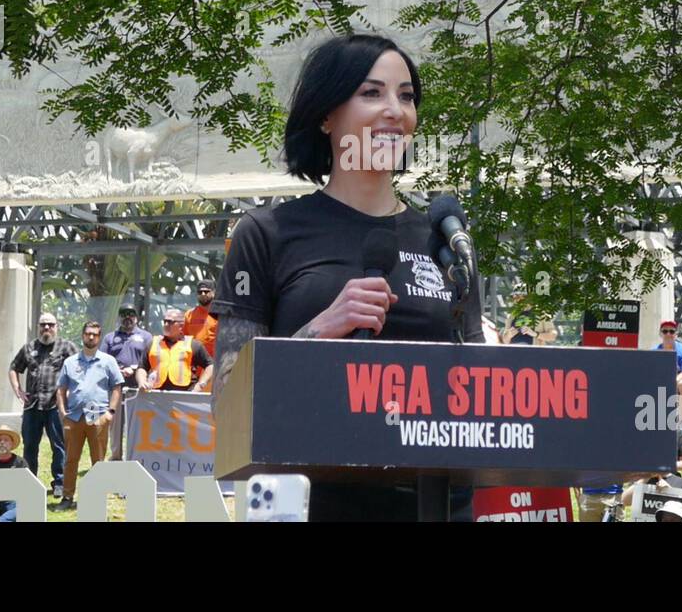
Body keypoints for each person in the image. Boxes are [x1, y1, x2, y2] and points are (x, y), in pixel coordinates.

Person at [208, 34, 485, 521]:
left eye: (406, 96)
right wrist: (319, 330)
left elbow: (482, 384)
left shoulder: (444, 240)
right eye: (372, 93)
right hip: (309, 502)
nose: (394, 110)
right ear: (326, 114)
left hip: (437, 503)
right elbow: (227, 401)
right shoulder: (267, 233)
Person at [53, 321, 123, 512]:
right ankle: (67, 497)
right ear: (83, 336)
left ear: (99, 338)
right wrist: (62, 411)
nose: (91, 337)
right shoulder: (70, 362)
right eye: (88, 334)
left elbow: (117, 388)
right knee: (70, 459)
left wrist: (111, 412)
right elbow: (61, 389)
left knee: (98, 460)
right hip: (74, 416)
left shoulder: (108, 361)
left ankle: (97, 497)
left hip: (97, 414)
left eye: (95, 334)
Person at [9, 313, 75, 499]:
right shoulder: (29, 348)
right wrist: (18, 390)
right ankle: (30, 482)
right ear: (38, 327)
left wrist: (70, 391)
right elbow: (14, 368)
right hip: (32, 406)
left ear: (57, 326)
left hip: (56, 405)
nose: (47, 328)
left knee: (59, 446)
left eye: (50, 325)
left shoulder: (66, 347)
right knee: (30, 446)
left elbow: (79, 368)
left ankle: (60, 483)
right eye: (43, 325)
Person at [102, 304, 151, 460]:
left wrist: (135, 369)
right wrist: (117, 370)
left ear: (136, 317)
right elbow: (102, 360)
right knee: (115, 424)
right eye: (124, 314)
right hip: (116, 387)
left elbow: (151, 360)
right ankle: (116, 456)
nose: (127, 317)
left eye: (131, 314)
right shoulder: (110, 337)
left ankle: (136, 456)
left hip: (137, 387)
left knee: (137, 423)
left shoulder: (146, 337)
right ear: (119, 317)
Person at [139, 308, 214, 392]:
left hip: (185, 396)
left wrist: (201, 384)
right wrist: (142, 381)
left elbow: (210, 366)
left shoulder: (193, 345)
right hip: (156, 395)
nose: (166, 324)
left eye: (170, 322)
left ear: (181, 326)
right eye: (165, 321)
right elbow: (142, 367)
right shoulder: (153, 343)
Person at [656, 320, 682, 427]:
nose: (668, 334)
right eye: (665, 331)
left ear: (676, 334)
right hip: (660, 383)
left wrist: (673, 380)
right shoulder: (654, 351)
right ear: (660, 334)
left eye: (671, 331)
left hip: (678, 383)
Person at [184, 279, 220, 370]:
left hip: (215, 364)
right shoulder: (189, 315)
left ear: (214, 292)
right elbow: (183, 339)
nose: (203, 294)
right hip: (194, 366)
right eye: (200, 292)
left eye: (206, 291)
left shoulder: (220, 315)